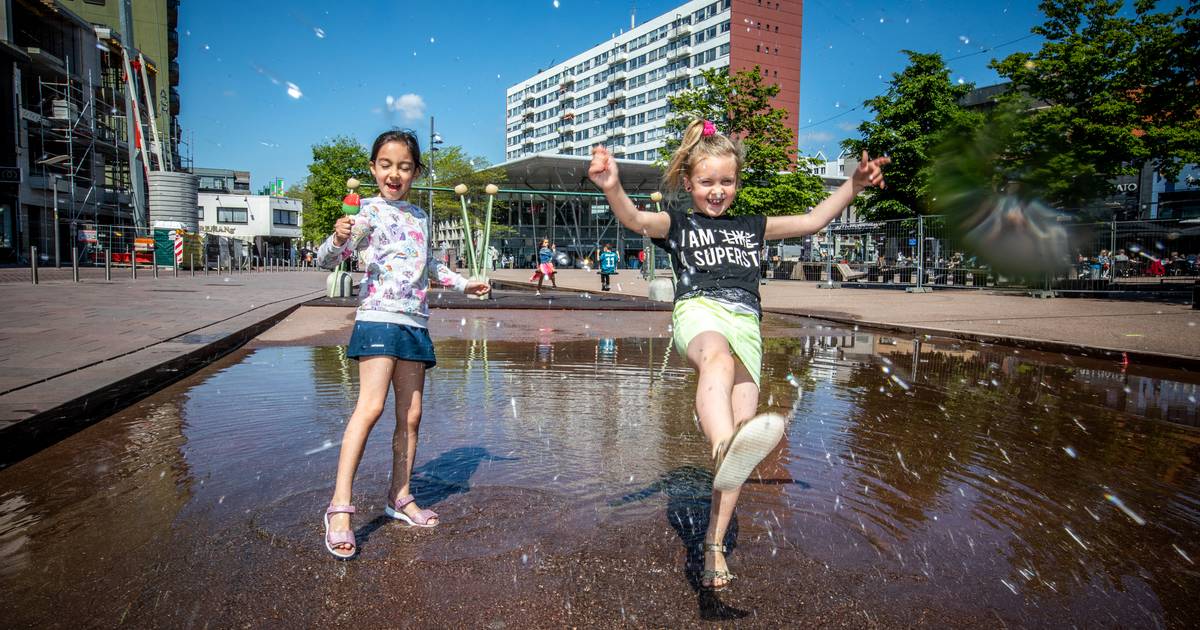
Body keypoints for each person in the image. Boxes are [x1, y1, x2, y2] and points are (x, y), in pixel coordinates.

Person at [588, 119, 889, 591]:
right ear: (688, 184)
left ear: (737, 183)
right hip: (700, 312)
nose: (717, 191)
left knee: (740, 446)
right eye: (707, 182)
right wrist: (612, 186)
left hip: (746, 323)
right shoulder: (678, 223)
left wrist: (851, 186)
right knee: (717, 361)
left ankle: (712, 543)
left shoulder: (752, 227)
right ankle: (720, 446)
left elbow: (811, 220)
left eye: (726, 181)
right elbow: (635, 220)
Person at [315, 129, 490, 559]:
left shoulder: (419, 216)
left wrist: (465, 283)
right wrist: (339, 237)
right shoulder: (363, 213)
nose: (395, 174)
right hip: (377, 318)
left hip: (415, 323)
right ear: (374, 168)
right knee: (370, 407)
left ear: (415, 172)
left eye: (405, 167)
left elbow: (429, 265)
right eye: (386, 165)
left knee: (411, 416)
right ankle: (339, 508)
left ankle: (401, 496)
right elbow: (327, 260)